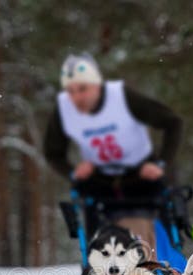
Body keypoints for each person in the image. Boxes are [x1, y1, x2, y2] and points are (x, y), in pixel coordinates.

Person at [44, 52, 182, 260]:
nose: (76, 98)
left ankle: (157, 270)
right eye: (71, 91)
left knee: (148, 228)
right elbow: (53, 153)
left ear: (97, 85)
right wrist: (73, 172)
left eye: (82, 89)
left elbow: (173, 122)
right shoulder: (64, 108)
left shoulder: (122, 96)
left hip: (141, 176)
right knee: (98, 237)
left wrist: (161, 163)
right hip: (100, 181)